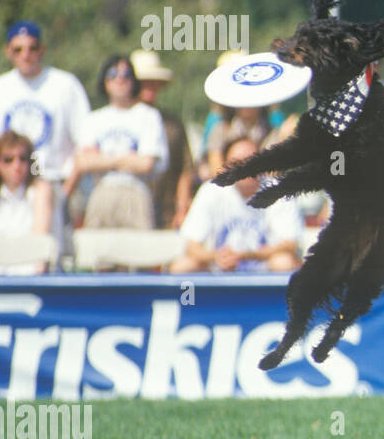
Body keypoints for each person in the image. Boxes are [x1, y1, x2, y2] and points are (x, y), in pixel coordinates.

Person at [0, 20, 90, 242]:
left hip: (55, 182)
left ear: (42, 49)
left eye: (32, 48)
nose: (26, 54)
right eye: (18, 49)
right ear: (8, 51)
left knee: (52, 254)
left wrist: (65, 192)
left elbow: (85, 144)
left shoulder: (65, 85)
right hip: (9, 190)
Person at [169, 136, 301, 274]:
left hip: (264, 269)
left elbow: (290, 245)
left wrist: (244, 255)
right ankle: (191, 297)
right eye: (237, 163)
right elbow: (191, 246)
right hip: (218, 269)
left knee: (283, 263)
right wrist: (216, 256)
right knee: (183, 266)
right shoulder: (211, 191)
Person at [71, 54, 168, 230]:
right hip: (101, 192)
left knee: (139, 253)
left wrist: (103, 160)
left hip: (136, 191)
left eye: (126, 75)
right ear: (104, 81)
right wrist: (126, 159)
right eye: (113, 74)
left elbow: (146, 163)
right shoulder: (94, 119)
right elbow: (83, 162)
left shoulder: (148, 116)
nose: (120, 80)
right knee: (97, 253)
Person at [130, 49, 197, 229]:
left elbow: (185, 168)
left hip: (166, 212)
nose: (150, 87)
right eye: (144, 83)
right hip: (130, 209)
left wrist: (182, 208)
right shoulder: (120, 121)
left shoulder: (172, 124)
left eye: (154, 82)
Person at [0, 131, 55, 274]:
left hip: (29, 274)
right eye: (8, 159)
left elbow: (40, 247)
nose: (17, 165)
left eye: (23, 158)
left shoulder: (40, 190)